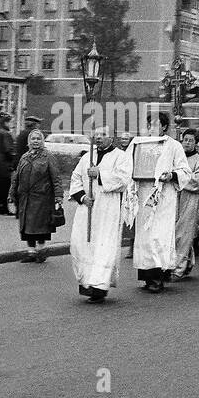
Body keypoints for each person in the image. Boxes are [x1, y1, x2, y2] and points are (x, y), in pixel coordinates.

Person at [68, 126, 135, 303]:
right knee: (80, 243)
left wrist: (100, 175)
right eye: (96, 135)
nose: (98, 138)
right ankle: (86, 282)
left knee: (103, 246)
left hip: (107, 208)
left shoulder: (121, 157)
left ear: (111, 138)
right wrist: (82, 197)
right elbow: (75, 178)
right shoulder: (86, 157)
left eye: (103, 135)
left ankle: (98, 286)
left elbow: (124, 179)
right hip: (87, 208)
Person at [127, 111, 191, 293]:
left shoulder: (174, 146)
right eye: (149, 124)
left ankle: (158, 277)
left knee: (158, 236)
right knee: (145, 237)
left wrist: (172, 175)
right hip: (143, 195)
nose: (151, 128)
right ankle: (146, 276)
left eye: (155, 124)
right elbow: (126, 165)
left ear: (164, 127)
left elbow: (185, 171)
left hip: (163, 197)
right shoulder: (137, 143)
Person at [8, 128, 63, 262]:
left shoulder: (48, 156)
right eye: (33, 139)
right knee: (26, 226)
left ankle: (41, 251)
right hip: (25, 199)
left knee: (41, 226)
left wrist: (58, 196)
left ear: (42, 141)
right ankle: (31, 252)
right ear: (29, 141)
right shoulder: (24, 157)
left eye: (38, 139)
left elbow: (56, 178)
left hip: (42, 199)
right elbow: (16, 177)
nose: (36, 141)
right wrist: (11, 193)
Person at [172, 128, 199, 280]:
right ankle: (184, 263)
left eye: (190, 140)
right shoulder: (175, 157)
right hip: (174, 197)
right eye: (185, 139)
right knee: (173, 231)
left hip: (189, 198)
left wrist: (179, 177)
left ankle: (178, 268)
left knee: (185, 232)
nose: (187, 143)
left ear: (196, 143)